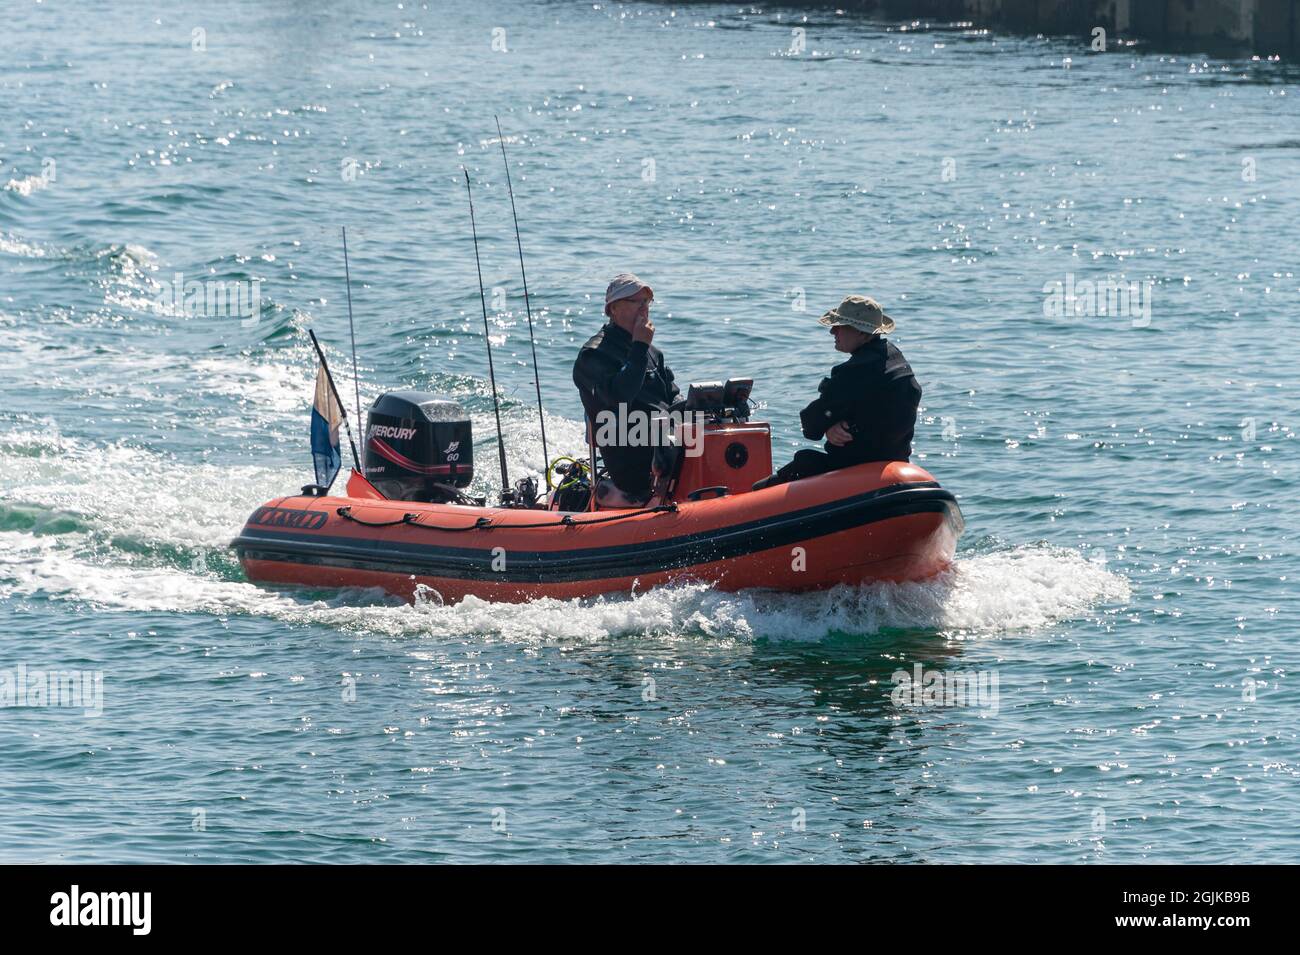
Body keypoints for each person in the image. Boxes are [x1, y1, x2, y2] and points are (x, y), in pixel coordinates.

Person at [753, 294, 920, 490]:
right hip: (893, 462)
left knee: (764, 486)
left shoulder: (854, 371)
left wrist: (826, 425)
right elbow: (874, 410)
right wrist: (832, 425)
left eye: (840, 326)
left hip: (855, 469)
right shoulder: (895, 358)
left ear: (862, 333)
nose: (833, 331)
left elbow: (811, 424)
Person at [572, 273, 680, 506]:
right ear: (613, 309)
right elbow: (621, 396)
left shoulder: (654, 354)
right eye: (636, 302)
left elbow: (674, 398)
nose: (644, 309)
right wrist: (639, 346)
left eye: (647, 303)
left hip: (668, 447)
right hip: (631, 462)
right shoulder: (593, 355)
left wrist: (704, 409)